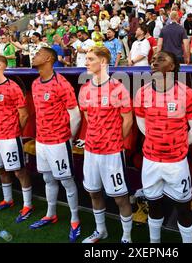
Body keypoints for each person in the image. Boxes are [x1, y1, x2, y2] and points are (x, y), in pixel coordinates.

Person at [134, 50, 192, 243]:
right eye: (153, 59)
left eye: (161, 59)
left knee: (183, 207)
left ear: (173, 66)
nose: (154, 62)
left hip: (176, 162)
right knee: (154, 205)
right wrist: (156, 140)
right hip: (150, 160)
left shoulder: (186, 93)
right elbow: (141, 122)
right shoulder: (142, 92)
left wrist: (177, 144)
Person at [78, 46, 134, 243]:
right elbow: (88, 117)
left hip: (112, 152)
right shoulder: (85, 88)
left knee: (120, 197)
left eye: (90, 59)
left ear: (103, 62)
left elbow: (128, 120)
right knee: (93, 192)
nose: (86, 62)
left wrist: (116, 140)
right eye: (86, 59)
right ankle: (101, 231)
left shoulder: (118, 87)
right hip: (91, 150)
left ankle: (127, 236)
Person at [29, 47, 82, 242]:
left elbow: (75, 115)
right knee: (48, 180)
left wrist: (69, 138)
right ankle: (51, 214)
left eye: (37, 53)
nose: (34, 56)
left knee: (66, 181)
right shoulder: (35, 84)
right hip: (41, 141)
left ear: (49, 58)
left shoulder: (62, 84)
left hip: (59, 142)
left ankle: (75, 220)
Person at [0, 55, 34, 222]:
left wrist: (14, 131)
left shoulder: (13, 87)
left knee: (19, 171)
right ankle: (8, 199)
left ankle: (28, 204)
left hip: (10, 137)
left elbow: (24, 115)